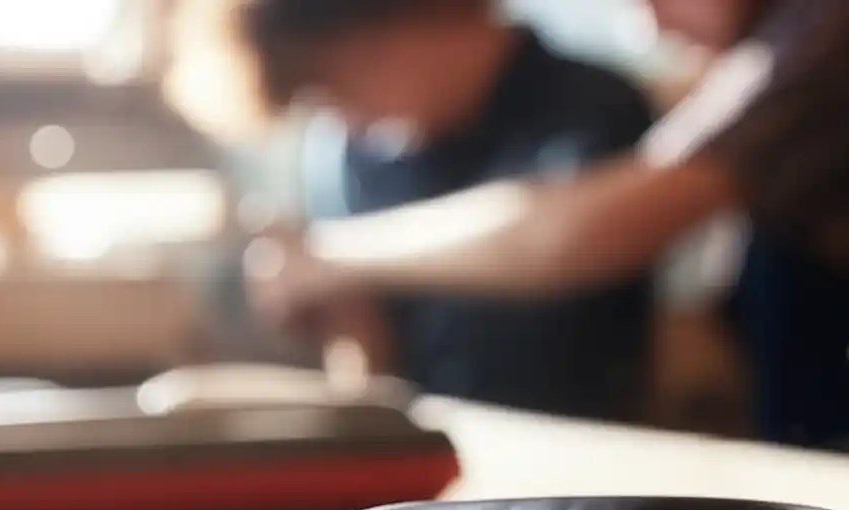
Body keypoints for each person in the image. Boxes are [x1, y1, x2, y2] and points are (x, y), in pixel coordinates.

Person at [249, 0, 849, 449]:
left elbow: (579, 232)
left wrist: (333, 254)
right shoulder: (792, 48)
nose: (648, 17)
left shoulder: (847, 33)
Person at [180, 0, 655, 421]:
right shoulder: (347, 153)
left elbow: (554, 239)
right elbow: (370, 376)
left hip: (578, 445)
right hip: (422, 456)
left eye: (338, 80)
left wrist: (330, 257)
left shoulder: (591, 107)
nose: (345, 114)